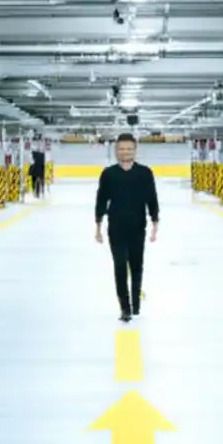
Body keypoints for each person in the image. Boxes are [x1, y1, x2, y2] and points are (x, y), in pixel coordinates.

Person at [94, 133, 159, 322]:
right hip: (116, 228)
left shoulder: (145, 173)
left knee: (137, 267)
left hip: (138, 228)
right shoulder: (108, 174)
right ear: (116, 150)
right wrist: (98, 226)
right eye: (122, 148)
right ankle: (125, 307)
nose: (125, 152)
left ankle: (135, 304)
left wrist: (155, 224)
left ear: (135, 150)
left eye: (129, 149)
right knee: (120, 266)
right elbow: (101, 200)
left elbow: (152, 199)